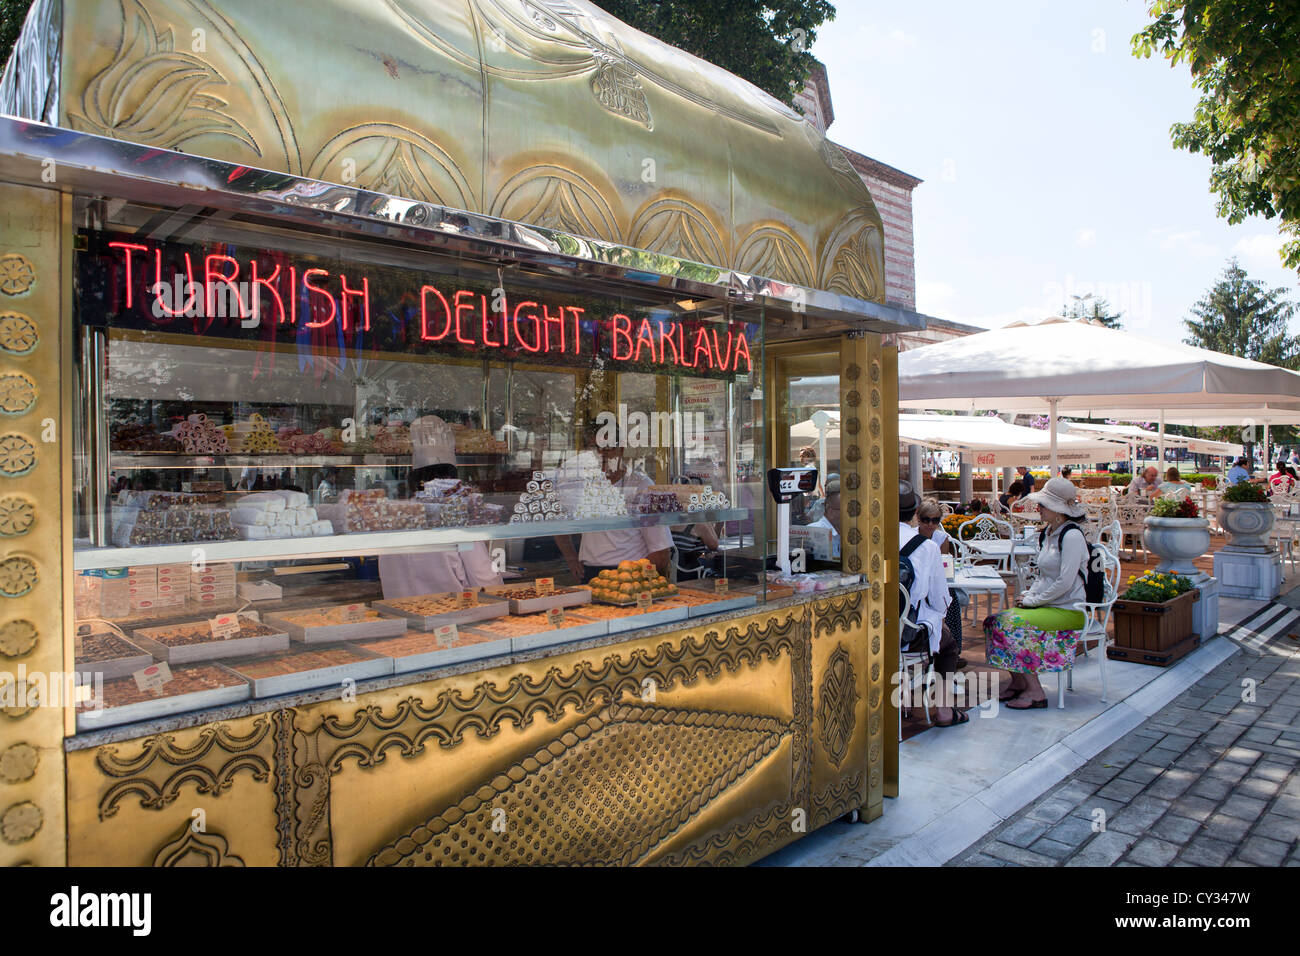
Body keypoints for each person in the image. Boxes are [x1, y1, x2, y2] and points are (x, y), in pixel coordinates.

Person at [984, 477, 1090, 709]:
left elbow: (1065, 581)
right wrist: (1031, 596)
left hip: (1070, 610)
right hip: (1051, 605)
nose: (1038, 508)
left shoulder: (1071, 536)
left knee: (1010, 625)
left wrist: (1034, 600)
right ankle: (1019, 681)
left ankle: (1035, 691)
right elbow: (1045, 577)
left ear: (1058, 510)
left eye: (1043, 504)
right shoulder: (1050, 533)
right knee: (994, 621)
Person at [556, 425, 672, 583]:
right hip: (590, 574)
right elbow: (558, 523)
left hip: (630, 573)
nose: (601, 454)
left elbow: (661, 551)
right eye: (595, 449)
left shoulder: (641, 486)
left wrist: (636, 579)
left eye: (608, 447)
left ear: (621, 448)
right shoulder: (581, 484)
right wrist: (571, 559)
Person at [378, 464, 503, 598]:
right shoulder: (457, 517)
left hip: (398, 610)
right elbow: (483, 577)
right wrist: (502, 598)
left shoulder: (397, 518)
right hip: (452, 612)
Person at [899, 482, 964, 726]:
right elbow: (939, 599)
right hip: (908, 633)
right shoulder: (927, 547)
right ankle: (945, 711)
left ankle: (903, 697)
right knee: (948, 645)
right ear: (914, 512)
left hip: (875, 629)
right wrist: (939, 622)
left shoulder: (875, 540)